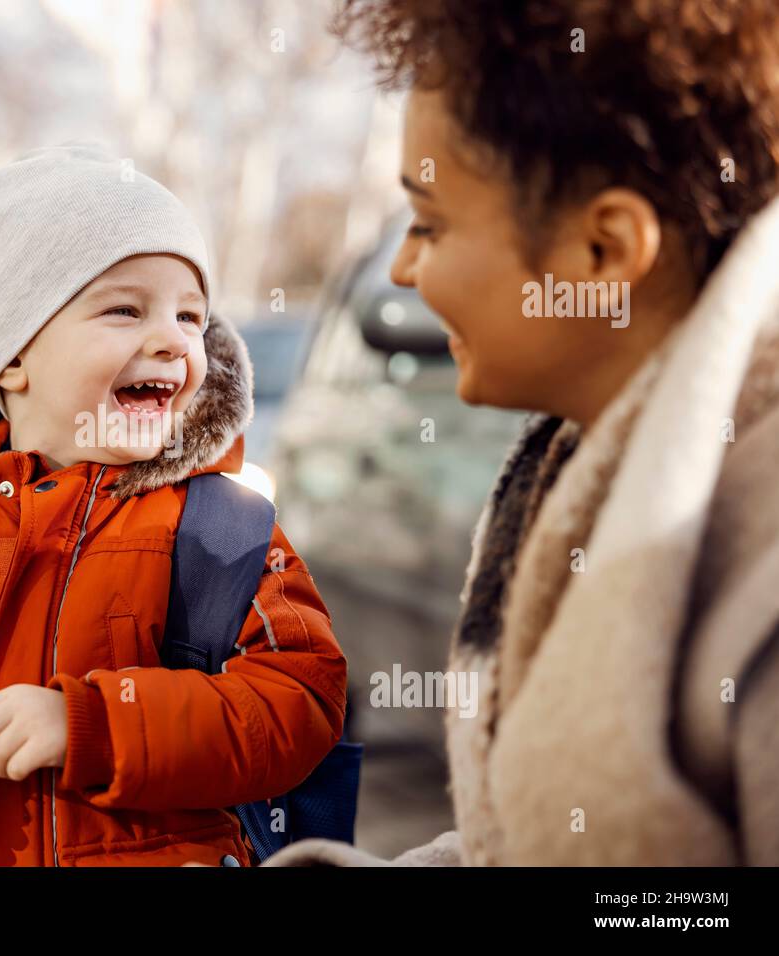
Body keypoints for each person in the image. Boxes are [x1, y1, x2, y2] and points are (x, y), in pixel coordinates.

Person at [261, 0, 779, 867]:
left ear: (603, 252)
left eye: (429, 223)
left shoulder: (760, 585)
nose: (402, 268)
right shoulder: (591, 468)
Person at [0, 143, 348, 867]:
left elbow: (301, 697)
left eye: (191, 317)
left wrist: (97, 726)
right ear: (12, 358)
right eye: (124, 310)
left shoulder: (220, 532)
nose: (172, 341)